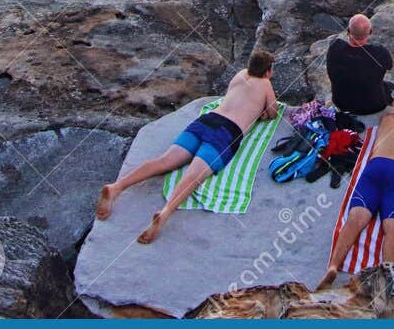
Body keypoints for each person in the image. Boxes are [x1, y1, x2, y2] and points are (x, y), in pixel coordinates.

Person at [95, 50, 278, 244]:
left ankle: (116, 187)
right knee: (194, 175)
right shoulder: (265, 84)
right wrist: (263, 113)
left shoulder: (240, 74)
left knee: (165, 161)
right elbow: (272, 112)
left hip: (207, 121)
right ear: (267, 71)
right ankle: (165, 212)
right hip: (226, 132)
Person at [316, 90, 394, 288]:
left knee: (356, 219)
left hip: (375, 167)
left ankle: (333, 266)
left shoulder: (387, 119)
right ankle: (386, 277)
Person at [325, 13, 394, 114]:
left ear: (348, 31)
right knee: (392, 87)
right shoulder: (380, 53)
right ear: (370, 32)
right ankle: (392, 117)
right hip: (374, 106)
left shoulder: (335, 47)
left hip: (341, 103)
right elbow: (389, 66)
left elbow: (335, 42)